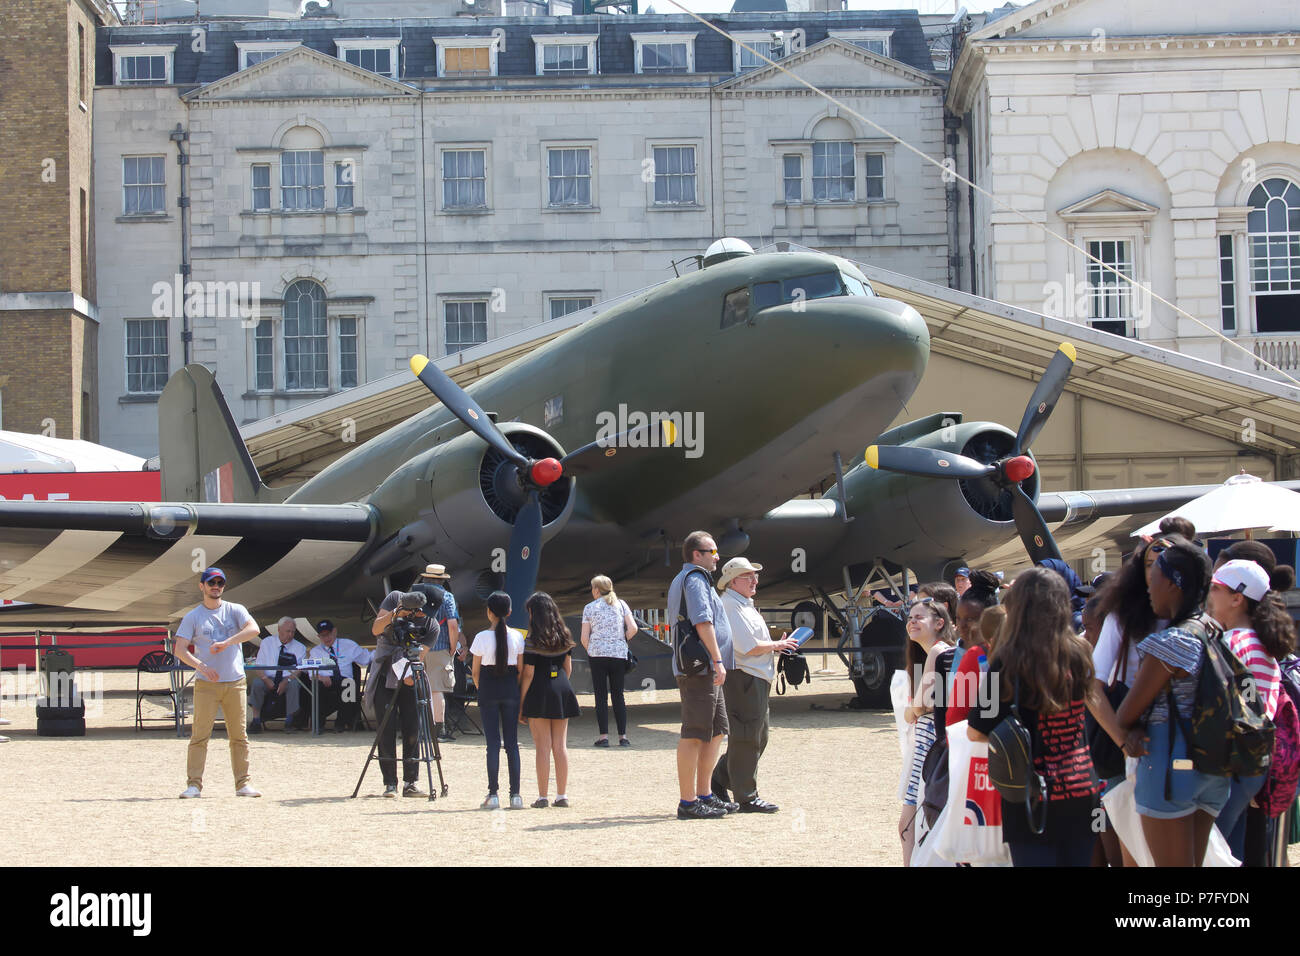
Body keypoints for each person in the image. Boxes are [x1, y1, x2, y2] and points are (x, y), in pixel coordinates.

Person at [968, 568, 1102, 866]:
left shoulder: (1005, 661)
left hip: (1032, 794)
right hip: (1084, 789)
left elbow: (976, 730)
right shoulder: (1081, 652)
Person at [1116, 538, 1229, 867]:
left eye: (1153, 581)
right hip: (1212, 768)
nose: (1149, 589)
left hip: (1169, 767)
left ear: (1172, 584)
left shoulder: (1170, 643)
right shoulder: (1214, 631)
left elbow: (1125, 714)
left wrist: (1133, 728)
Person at [1206, 559, 1295, 858]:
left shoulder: (1234, 642)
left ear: (1237, 598)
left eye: (1216, 588)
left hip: (1233, 763)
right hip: (1254, 764)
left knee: (1212, 854)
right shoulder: (1261, 642)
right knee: (1232, 853)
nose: (1210, 594)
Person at [711, 558, 797, 813]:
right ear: (733, 581)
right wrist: (778, 645)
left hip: (755, 676)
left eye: (754, 576)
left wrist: (776, 644)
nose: (755, 580)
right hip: (745, 676)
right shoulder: (730, 605)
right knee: (748, 737)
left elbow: (754, 642)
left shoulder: (742, 604)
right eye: (748, 576)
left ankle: (719, 780)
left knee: (757, 736)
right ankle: (746, 796)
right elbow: (747, 647)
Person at [172, 567, 262, 798]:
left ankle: (243, 784)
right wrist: (201, 666)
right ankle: (194, 784)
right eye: (211, 582)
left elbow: (253, 629)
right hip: (206, 684)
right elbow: (180, 649)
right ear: (201, 586)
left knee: (239, 736)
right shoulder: (193, 616)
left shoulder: (235, 610)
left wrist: (227, 642)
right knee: (200, 735)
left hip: (235, 682)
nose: (216, 586)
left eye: (220, 583)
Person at [666, 530, 735, 820]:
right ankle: (688, 802)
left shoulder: (699, 579)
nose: (717, 557)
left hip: (708, 668)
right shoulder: (694, 579)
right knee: (694, 733)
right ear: (697, 554)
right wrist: (717, 659)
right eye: (713, 552)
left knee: (717, 731)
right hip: (699, 668)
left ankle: (705, 794)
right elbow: (703, 621)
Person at [899, 596, 956, 864]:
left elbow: (918, 708)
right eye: (910, 617)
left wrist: (909, 711)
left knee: (909, 822)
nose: (912, 622)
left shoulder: (937, 652)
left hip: (927, 745)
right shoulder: (938, 653)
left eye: (919, 617)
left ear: (939, 623)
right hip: (931, 744)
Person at [369, 591, 436, 797]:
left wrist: (408, 674)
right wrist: (395, 614)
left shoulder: (431, 625)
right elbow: (376, 629)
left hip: (409, 672)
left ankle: (411, 782)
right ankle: (390, 783)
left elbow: (420, 654)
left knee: (413, 727)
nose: (417, 614)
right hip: (384, 669)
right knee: (385, 728)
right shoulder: (393, 599)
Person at [519, 592, 580, 807]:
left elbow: (528, 673)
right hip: (562, 687)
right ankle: (562, 795)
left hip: (539, 689)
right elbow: (568, 668)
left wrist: (522, 702)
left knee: (542, 747)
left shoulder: (532, 639)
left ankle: (542, 796)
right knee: (560, 746)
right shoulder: (564, 634)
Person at [470, 591, 527, 810]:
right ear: (510, 612)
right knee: (512, 744)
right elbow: (520, 670)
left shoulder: (481, 637)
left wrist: (481, 688)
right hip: (510, 689)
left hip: (488, 690)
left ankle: (493, 793)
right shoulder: (517, 637)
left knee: (492, 744)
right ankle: (516, 795)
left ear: (489, 612)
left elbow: (475, 672)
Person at [581, 575, 637, 747]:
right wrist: (622, 641)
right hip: (618, 654)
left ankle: (603, 736)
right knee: (618, 695)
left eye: (592, 588)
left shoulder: (589, 608)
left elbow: (584, 637)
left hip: (597, 654)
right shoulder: (621, 604)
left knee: (600, 696)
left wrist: (592, 649)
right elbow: (633, 628)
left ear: (597, 590)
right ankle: (623, 737)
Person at [410, 564, 461, 741]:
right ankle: (438, 730)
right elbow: (453, 625)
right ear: (442, 579)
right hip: (439, 647)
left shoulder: (415, 595)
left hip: (416, 647)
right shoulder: (447, 597)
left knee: (416, 689)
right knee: (436, 690)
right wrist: (453, 647)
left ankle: (415, 728)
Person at [947, 570, 1000, 726]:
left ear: (989, 619)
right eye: (958, 618)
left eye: (970, 619)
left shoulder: (1003, 655)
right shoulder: (948, 656)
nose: (961, 626)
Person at [247, 616, 310, 733]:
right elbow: (259, 665)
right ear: (279, 630)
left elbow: (299, 669)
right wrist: (266, 679)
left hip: (289, 677)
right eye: (288, 631)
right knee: (257, 683)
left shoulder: (299, 647)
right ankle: (256, 720)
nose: (290, 634)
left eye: (292, 632)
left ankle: (290, 720)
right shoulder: (267, 642)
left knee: (294, 684)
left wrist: (286, 681)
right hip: (268, 677)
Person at [314, 619, 372, 732]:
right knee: (317, 686)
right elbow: (309, 672)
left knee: (349, 685)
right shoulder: (315, 652)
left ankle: (341, 723)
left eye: (328, 634)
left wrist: (383, 654)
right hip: (325, 680)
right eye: (323, 635)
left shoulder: (348, 645)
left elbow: (366, 658)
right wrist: (321, 677)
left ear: (334, 631)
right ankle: (318, 724)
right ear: (318, 636)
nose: (326, 638)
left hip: (344, 679)